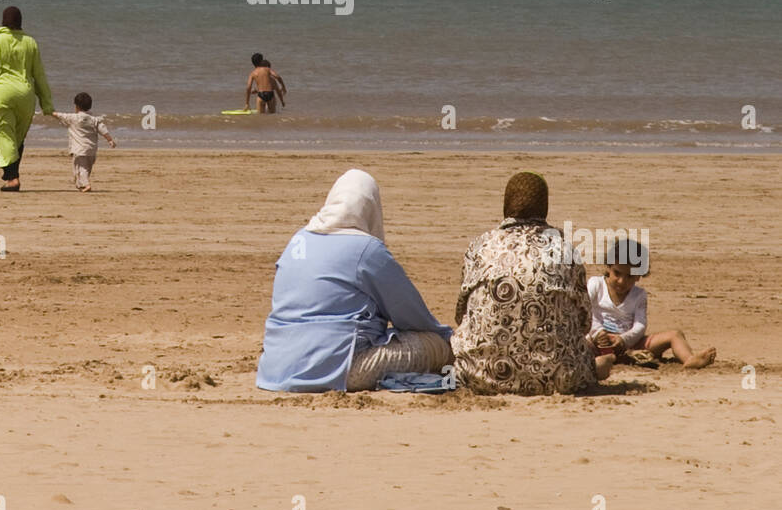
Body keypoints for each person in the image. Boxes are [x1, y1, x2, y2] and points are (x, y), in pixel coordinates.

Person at [257, 168, 453, 392]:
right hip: (339, 369)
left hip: (274, 367)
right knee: (434, 346)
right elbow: (411, 316)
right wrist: (448, 339)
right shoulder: (366, 250)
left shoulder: (297, 240)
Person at [452, 171, 606, 394]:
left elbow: (461, 315)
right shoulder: (563, 249)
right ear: (544, 208)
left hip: (480, 375)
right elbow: (584, 322)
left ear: (506, 205)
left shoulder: (481, 247)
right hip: (557, 379)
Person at [589, 238, 716, 369]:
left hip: (628, 343)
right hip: (596, 341)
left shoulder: (639, 295)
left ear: (639, 275)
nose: (622, 281)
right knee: (579, 343)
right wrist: (598, 333)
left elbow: (640, 325)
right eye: (617, 273)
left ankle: (689, 359)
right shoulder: (596, 284)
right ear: (608, 266)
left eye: (630, 276)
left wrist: (623, 339)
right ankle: (608, 359)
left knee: (675, 335)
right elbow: (583, 311)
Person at [0, 6, 54, 191]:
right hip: (25, 95)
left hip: (2, 92)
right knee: (17, 137)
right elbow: (39, 75)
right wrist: (47, 103)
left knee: (2, 134)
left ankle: (12, 178)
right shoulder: (30, 43)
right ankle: (10, 175)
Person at [52, 92, 116, 191]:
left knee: (80, 168)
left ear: (76, 106)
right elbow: (103, 130)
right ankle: (82, 184)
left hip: (79, 149)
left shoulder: (73, 118)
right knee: (86, 169)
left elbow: (60, 115)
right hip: (91, 150)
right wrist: (110, 140)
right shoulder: (94, 119)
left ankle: (86, 185)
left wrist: (49, 111)